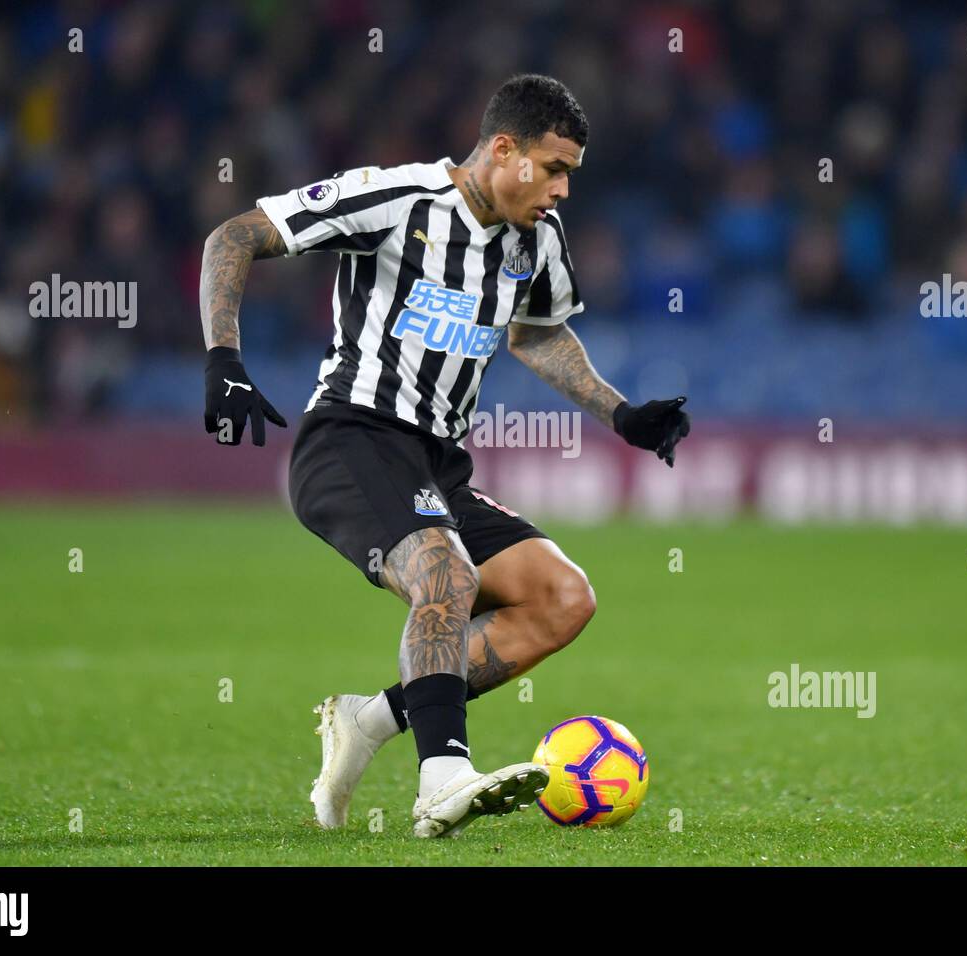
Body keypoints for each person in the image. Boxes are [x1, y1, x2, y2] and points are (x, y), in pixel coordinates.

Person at [198, 73, 690, 837]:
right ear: (503, 149)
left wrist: (620, 413)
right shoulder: (395, 198)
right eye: (553, 168)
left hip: (438, 463)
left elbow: (536, 331)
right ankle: (442, 781)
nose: (562, 189)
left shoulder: (538, 241)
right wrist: (223, 358)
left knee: (563, 599)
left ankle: (369, 722)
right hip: (351, 438)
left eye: (571, 174)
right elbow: (234, 236)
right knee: (447, 573)